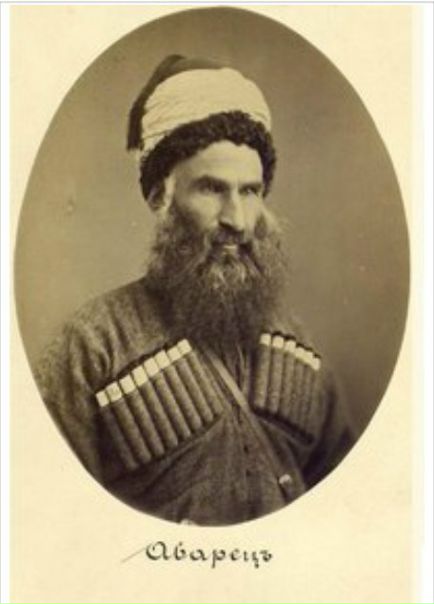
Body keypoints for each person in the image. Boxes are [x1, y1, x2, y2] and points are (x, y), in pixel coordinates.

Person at [35, 55, 355, 526]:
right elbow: (51, 518)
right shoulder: (91, 346)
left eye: (250, 191)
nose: (237, 220)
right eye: (211, 189)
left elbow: (350, 509)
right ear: (159, 198)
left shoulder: (297, 344)